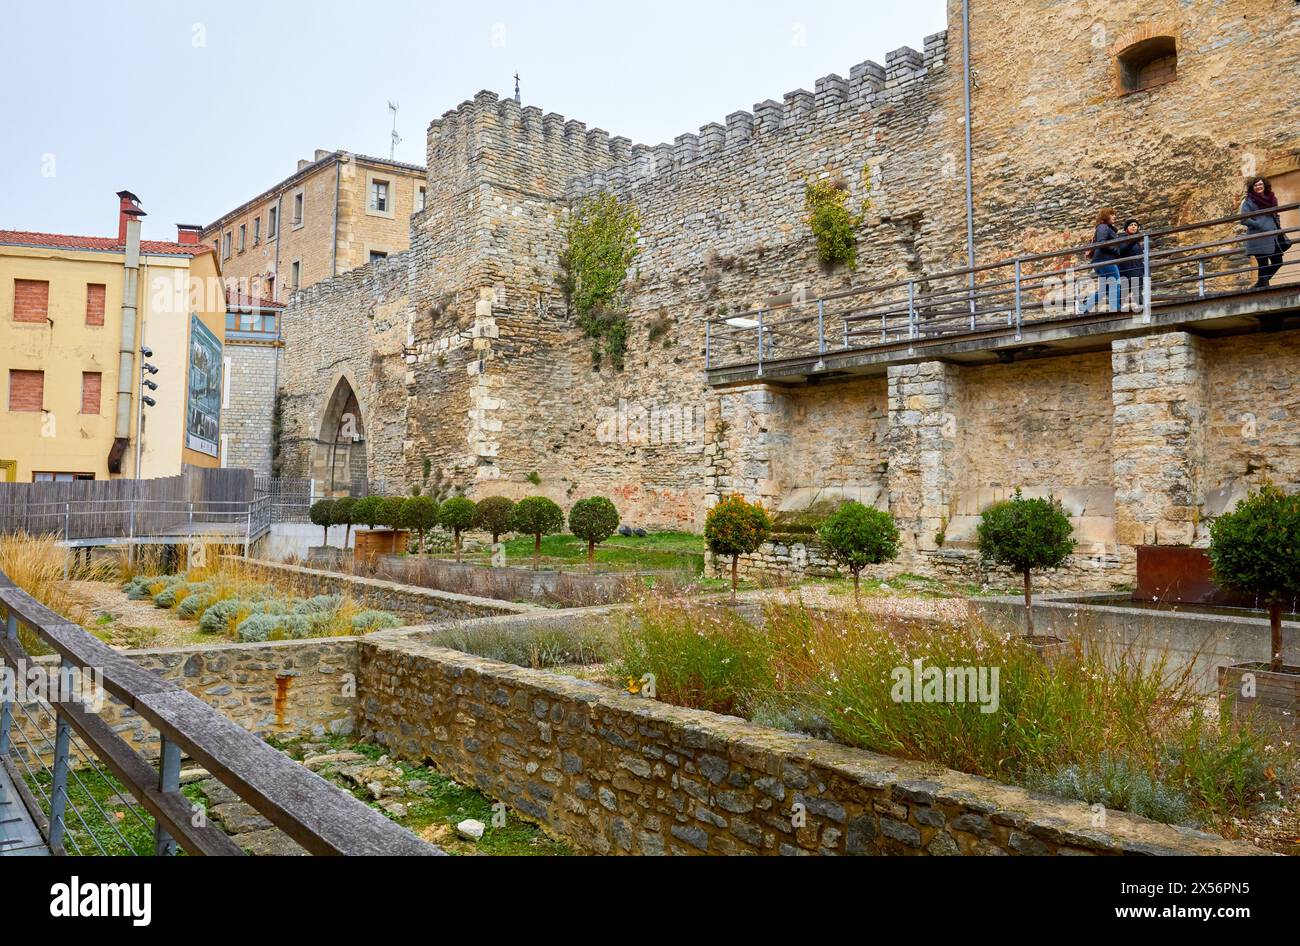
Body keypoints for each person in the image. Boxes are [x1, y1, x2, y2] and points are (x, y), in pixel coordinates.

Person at [1241, 177, 1285, 289]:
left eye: (1260, 184)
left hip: (1273, 236)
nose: (1258, 187)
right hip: (1258, 237)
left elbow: (1276, 215)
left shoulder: (1272, 199)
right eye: (1255, 185)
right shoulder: (1249, 201)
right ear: (1253, 188)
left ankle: (1260, 284)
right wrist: (1261, 225)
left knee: (1278, 261)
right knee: (1263, 263)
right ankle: (1264, 287)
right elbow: (1244, 219)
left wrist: (1277, 226)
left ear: (1264, 185)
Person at [1080, 208, 1122, 313]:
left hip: (1101, 261)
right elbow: (1101, 242)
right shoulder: (1103, 227)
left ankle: (1085, 307)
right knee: (1115, 283)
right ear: (1105, 216)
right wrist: (1116, 250)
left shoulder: (1107, 228)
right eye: (1111, 214)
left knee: (1105, 289)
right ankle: (1115, 310)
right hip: (1105, 261)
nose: (1114, 216)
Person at [1116, 218, 1145, 311]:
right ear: (1126, 228)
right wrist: (1133, 240)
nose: (1134, 226)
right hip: (1127, 269)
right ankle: (1143, 308)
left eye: (1135, 225)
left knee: (1136, 290)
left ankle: (1143, 307)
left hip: (1137, 269)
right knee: (1124, 292)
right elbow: (1122, 250)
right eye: (1131, 225)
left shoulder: (1136, 241)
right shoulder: (1121, 237)